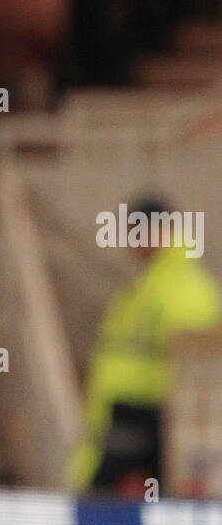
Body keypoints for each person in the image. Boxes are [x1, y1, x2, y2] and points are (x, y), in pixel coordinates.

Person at [68, 194, 222, 496]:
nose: (130, 243)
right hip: (118, 429)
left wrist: (155, 458)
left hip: (147, 436)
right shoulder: (143, 289)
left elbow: (195, 386)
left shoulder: (187, 292)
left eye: (135, 232)